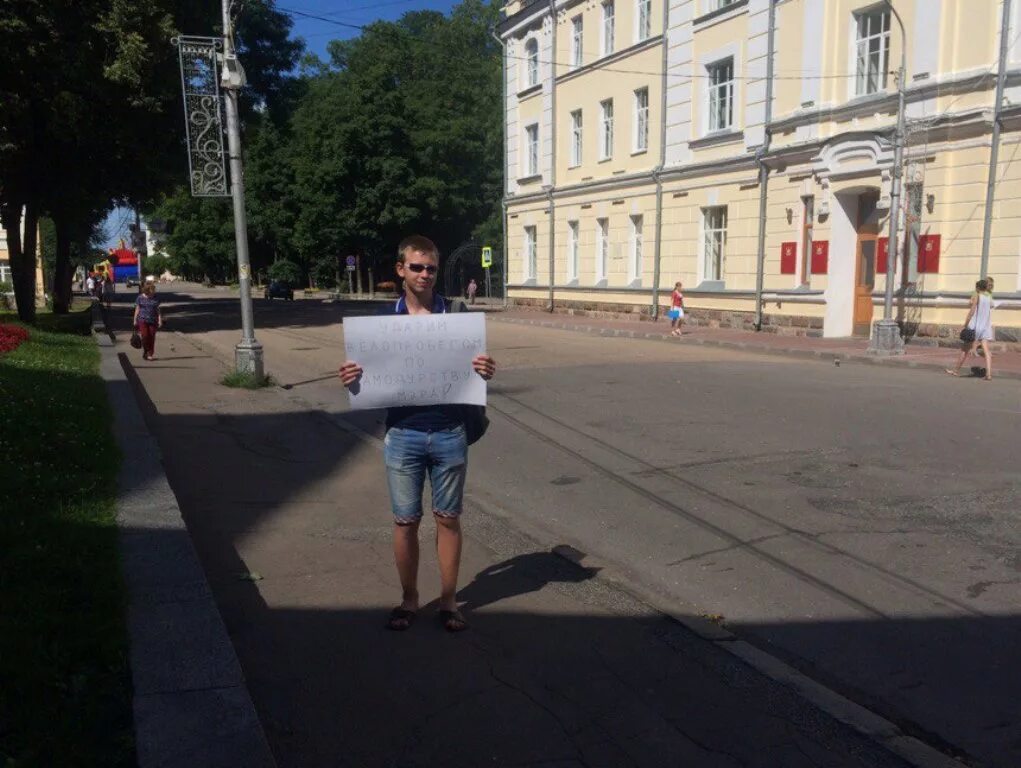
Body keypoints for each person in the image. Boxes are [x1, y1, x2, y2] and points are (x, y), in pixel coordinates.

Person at [338, 235, 496, 633]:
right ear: (401, 270)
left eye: (430, 268)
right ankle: (409, 599)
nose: (424, 274)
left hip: (449, 432)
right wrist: (351, 377)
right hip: (403, 434)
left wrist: (485, 370)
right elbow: (364, 377)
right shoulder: (381, 322)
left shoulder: (455, 316)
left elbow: (474, 371)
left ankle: (448, 601)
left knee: (448, 520)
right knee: (405, 522)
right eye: (416, 267)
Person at [946, 279, 994, 380]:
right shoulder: (988, 298)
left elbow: (971, 312)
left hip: (975, 327)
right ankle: (988, 374)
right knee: (986, 350)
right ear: (985, 287)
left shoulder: (978, 296)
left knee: (964, 349)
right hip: (985, 327)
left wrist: (965, 324)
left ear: (978, 288)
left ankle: (956, 371)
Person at [133, 282, 163, 361]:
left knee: (152, 337)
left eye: (154, 289)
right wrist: (135, 320)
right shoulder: (140, 298)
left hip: (153, 320)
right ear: (147, 290)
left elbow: (158, 310)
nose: (154, 291)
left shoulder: (156, 298)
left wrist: (160, 320)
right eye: (152, 289)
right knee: (145, 336)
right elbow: (137, 309)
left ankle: (150, 353)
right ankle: (145, 350)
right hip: (142, 320)